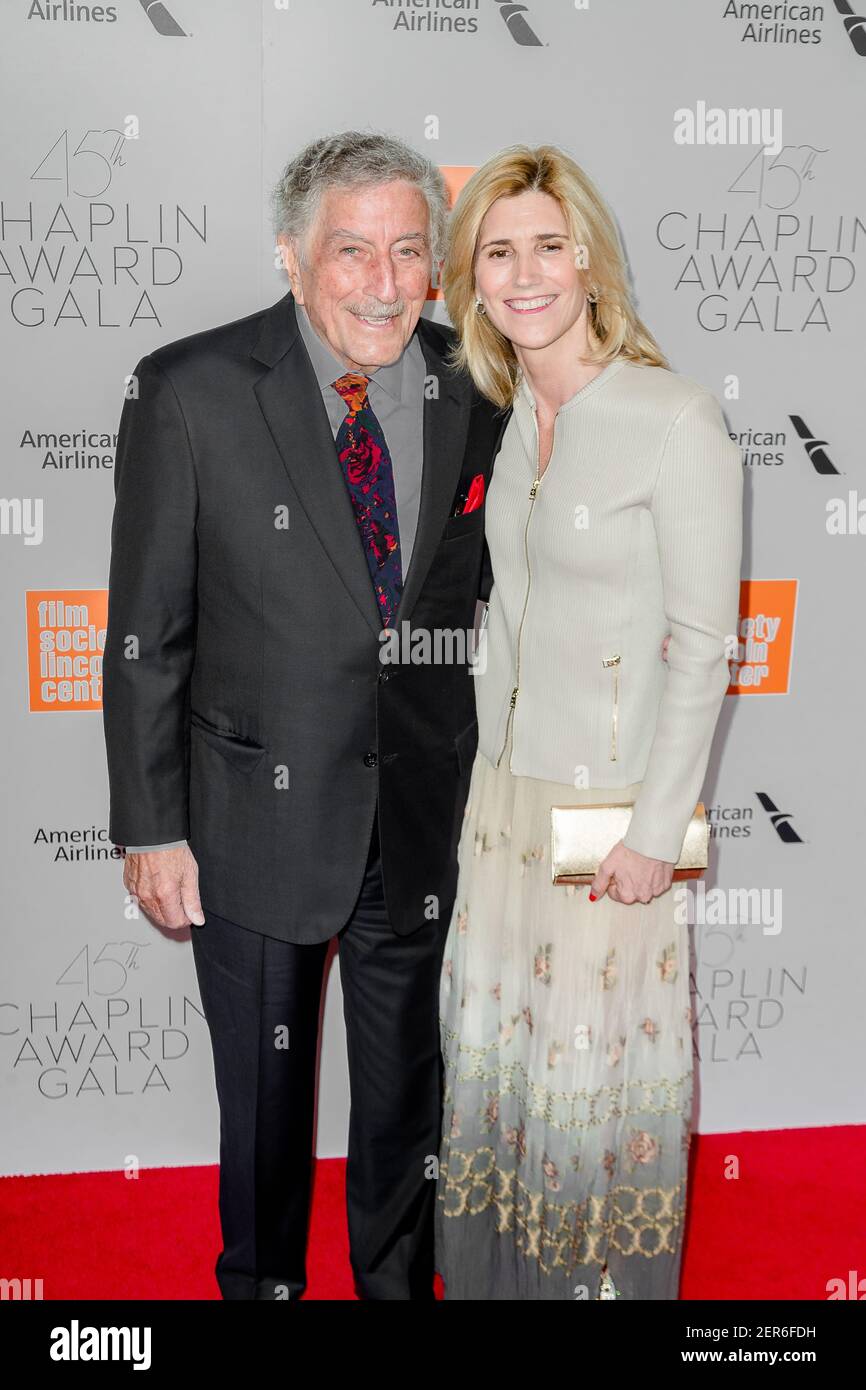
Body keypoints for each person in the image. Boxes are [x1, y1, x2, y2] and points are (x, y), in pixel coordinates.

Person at [101, 131, 509, 1300]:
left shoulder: (471, 382)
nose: (385, 281)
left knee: (404, 1105)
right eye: (350, 251)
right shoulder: (187, 391)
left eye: (407, 251)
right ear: (291, 257)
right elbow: (146, 637)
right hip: (250, 823)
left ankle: (394, 1288)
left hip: (418, 814)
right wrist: (149, 827)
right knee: (266, 1116)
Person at [434, 144, 743, 1300]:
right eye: (496, 252)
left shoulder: (671, 419)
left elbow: (702, 646)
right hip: (504, 807)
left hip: (611, 817)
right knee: (504, 1078)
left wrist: (655, 834)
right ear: (471, 279)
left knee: (591, 1094)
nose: (522, 276)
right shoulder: (505, 422)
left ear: (591, 266)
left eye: (547, 249)